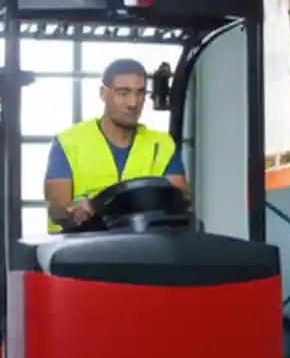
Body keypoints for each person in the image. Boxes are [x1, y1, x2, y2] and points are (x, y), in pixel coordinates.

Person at [43, 58, 188, 232]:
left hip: (145, 246)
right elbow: (58, 208)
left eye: (140, 93)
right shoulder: (69, 142)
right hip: (83, 247)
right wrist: (75, 211)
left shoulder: (162, 144)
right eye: (123, 93)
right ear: (103, 94)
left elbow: (178, 199)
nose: (133, 103)